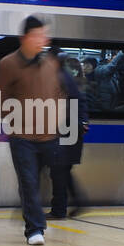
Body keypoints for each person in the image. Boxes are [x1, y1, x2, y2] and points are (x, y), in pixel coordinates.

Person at [0, 16, 67, 246]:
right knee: (29, 181)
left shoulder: (51, 64)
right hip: (22, 137)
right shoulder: (7, 64)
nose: (42, 40)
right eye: (37, 35)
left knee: (41, 182)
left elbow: (60, 94)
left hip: (49, 137)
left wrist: (58, 119)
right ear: (24, 38)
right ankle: (35, 229)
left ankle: (32, 215)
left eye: (44, 35)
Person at [48, 44, 89, 218]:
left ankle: (59, 210)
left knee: (58, 170)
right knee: (61, 170)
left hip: (68, 131)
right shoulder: (64, 77)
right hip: (71, 130)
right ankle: (77, 201)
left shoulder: (60, 78)